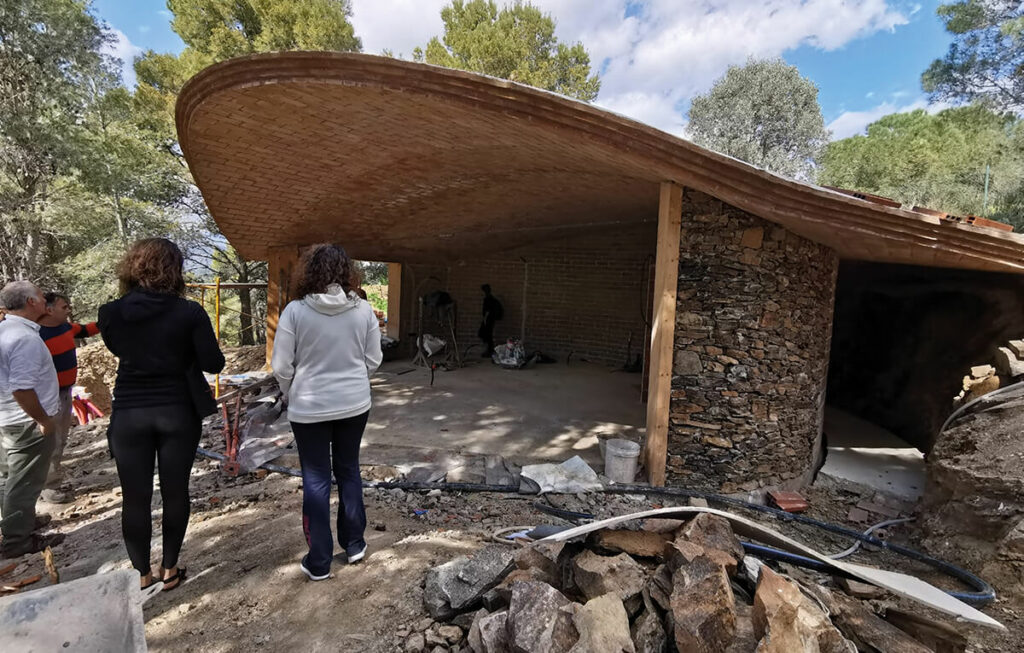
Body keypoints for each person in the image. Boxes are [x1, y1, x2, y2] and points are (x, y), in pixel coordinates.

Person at [99, 238, 225, 590]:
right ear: (175, 270)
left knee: (134, 497)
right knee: (175, 492)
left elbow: (119, 349)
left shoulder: (110, 312)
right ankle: (170, 570)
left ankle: (141, 574)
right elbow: (214, 363)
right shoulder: (189, 312)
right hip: (177, 411)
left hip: (129, 412)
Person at [271, 244, 382, 581]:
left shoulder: (294, 311)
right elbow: (374, 360)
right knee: (349, 470)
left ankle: (319, 560)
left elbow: (281, 365)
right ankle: (355, 544)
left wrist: (293, 392)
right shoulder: (363, 310)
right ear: (347, 272)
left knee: (316, 478)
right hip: (354, 405)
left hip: (309, 408)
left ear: (309, 271)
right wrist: (353, 382)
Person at [0, 281, 65, 558]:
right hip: (26, 421)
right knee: (25, 480)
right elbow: (21, 388)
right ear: (31, 303)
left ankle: (19, 520)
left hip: (10, 418)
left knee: (12, 476)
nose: (44, 299)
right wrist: (42, 419)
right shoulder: (23, 338)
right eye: (40, 295)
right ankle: (18, 540)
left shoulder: (7, 331)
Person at [37, 292, 100, 503]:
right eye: (64, 307)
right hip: (47, 397)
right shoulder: (36, 335)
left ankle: (50, 482)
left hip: (65, 392)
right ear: (49, 309)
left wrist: (111, 317)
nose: (68, 310)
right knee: (50, 441)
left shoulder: (66, 327)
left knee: (60, 439)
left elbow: (87, 330)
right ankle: (48, 488)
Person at [478, 284, 503, 357]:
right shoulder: (491, 298)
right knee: (488, 335)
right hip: (491, 319)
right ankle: (489, 350)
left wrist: (485, 320)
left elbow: (487, 311)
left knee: (486, 335)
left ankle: (489, 351)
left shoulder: (488, 299)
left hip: (488, 319)